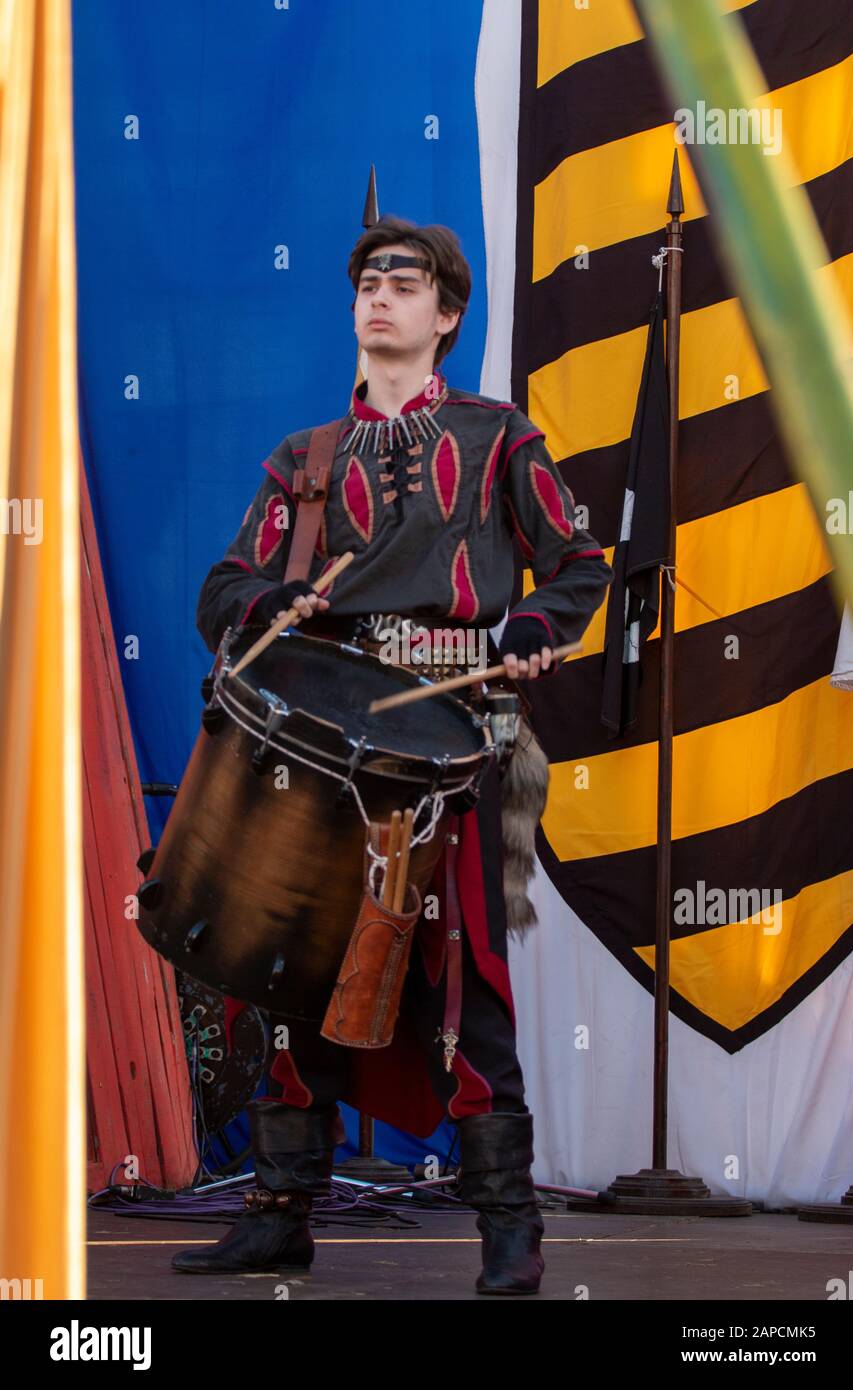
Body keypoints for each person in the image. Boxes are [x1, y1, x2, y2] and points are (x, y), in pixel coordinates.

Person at [173, 216, 612, 1295]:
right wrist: (268, 597)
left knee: (460, 988)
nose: (380, 297)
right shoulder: (305, 462)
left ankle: (509, 1232)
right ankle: (279, 1214)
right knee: (279, 975)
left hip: (449, 753)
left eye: (404, 283)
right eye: (367, 282)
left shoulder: (502, 436)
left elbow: (578, 565)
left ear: (445, 314)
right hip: (320, 754)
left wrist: (526, 632)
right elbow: (221, 591)